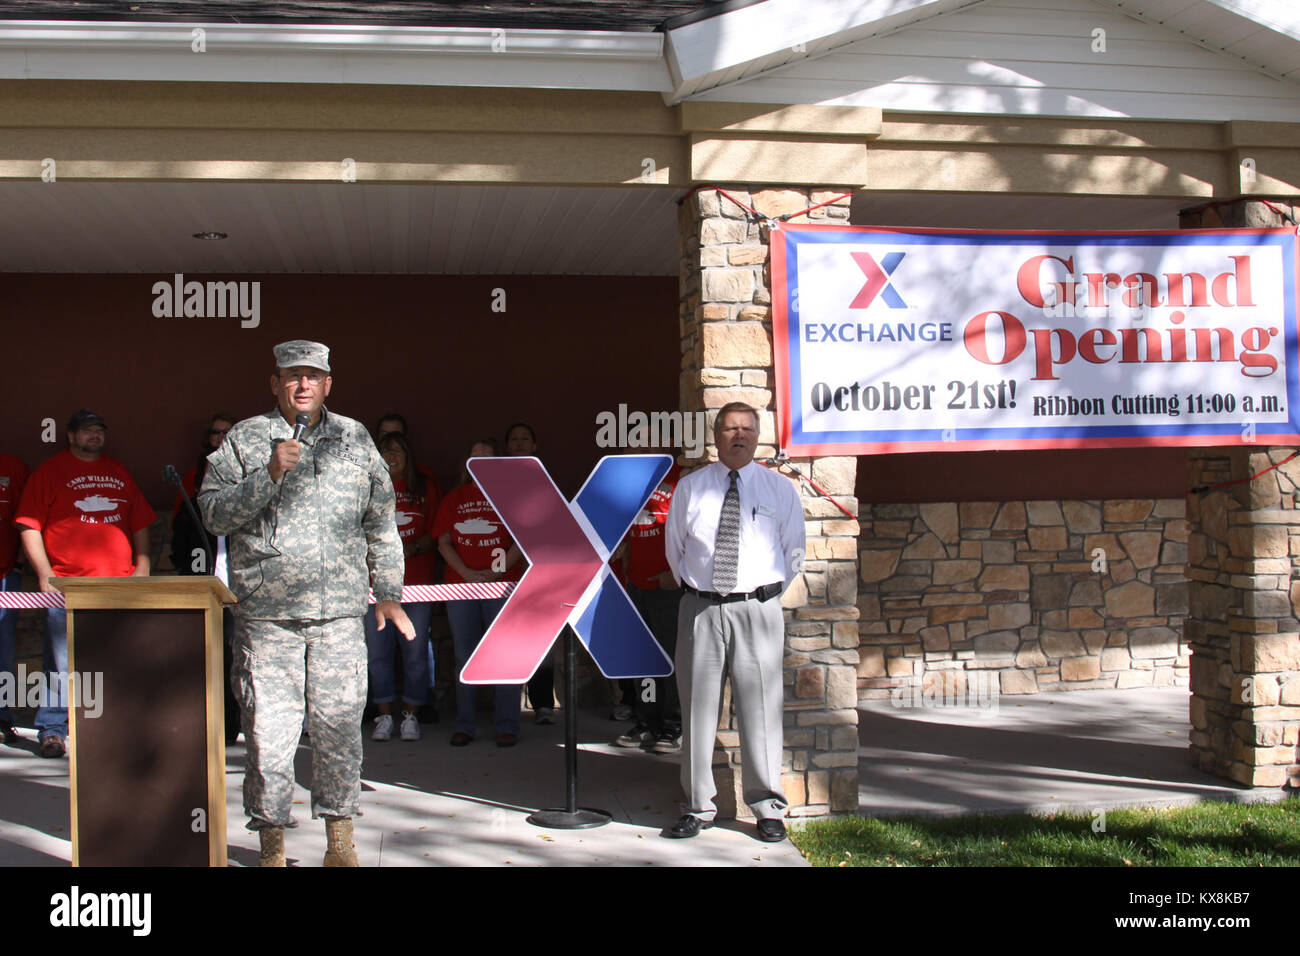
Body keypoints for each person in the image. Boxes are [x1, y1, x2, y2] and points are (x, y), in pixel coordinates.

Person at [199, 340, 412, 868]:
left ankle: (340, 844)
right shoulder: (247, 439)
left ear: (327, 385)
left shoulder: (354, 437)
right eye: (292, 376)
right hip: (267, 619)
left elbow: (381, 521)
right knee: (269, 736)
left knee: (340, 730)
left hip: (338, 616)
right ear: (274, 383)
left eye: (313, 377)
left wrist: (387, 592)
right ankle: (271, 846)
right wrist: (268, 474)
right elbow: (213, 514)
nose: (302, 386)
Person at [663, 402, 804, 843]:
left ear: (757, 435)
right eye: (729, 429)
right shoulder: (691, 488)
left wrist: (760, 597)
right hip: (701, 610)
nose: (738, 435)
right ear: (717, 436)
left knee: (761, 709)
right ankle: (698, 806)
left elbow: (793, 552)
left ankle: (766, 807)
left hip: (757, 610)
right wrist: (702, 591)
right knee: (697, 709)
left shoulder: (779, 489)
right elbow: (676, 550)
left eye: (746, 428)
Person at [14, 410, 156, 758]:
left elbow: (139, 522)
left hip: (119, 585)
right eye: (88, 431)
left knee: (121, 658)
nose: (95, 436)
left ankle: (116, 727)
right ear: (71, 436)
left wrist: (143, 565)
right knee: (62, 663)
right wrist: (45, 574)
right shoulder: (49, 473)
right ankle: (53, 730)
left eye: (100, 431)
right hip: (68, 586)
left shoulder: (118, 471)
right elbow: (28, 525)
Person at [433, 438, 523, 747]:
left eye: (488, 457)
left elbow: (521, 540)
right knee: (465, 655)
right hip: (461, 587)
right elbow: (443, 541)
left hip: (502, 585)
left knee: (504, 654)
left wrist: (496, 571)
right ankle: (465, 723)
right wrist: (468, 573)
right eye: (475, 456)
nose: (480, 462)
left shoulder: (511, 497)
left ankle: (507, 724)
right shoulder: (455, 497)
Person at [170, 412, 240, 744]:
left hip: (242, 590)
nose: (221, 437)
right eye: (216, 433)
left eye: (228, 432)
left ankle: (232, 724)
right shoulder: (192, 492)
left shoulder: (250, 485)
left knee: (237, 660)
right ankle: (205, 723)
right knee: (204, 658)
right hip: (203, 587)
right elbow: (179, 536)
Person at [366, 431, 437, 742]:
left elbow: (436, 532)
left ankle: (411, 714)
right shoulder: (368, 487)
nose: (391, 456)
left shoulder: (423, 486)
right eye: (385, 450)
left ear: (408, 456)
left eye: (397, 451)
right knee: (378, 654)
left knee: (415, 653)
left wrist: (412, 549)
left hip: (416, 584)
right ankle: (383, 716)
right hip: (375, 587)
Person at [613, 456, 684, 754]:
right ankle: (646, 720)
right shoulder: (629, 480)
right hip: (637, 583)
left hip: (665, 585)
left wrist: (678, 573)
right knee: (643, 659)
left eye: (646, 440)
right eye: (633, 442)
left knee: (669, 659)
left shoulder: (680, 476)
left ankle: (672, 724)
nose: (639, 447)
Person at [503, 421, 556, 725]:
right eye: (514, 439)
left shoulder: (544, 481)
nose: (520, 443)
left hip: (539, 574)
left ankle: (543, 704)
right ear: (506, 447)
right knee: (506, 640)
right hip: (502, 576)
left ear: (535, 446)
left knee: (541, 641)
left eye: (526, 439)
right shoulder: (494, 480)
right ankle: (506, 710)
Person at [0, 451, 31, 744]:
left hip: (6, 573)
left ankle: (2, 715)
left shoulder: (13, 468)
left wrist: (20, 561)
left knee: (2, 650)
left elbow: (27, 518)